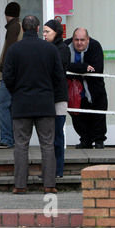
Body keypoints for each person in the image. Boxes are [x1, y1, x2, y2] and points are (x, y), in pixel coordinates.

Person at [3, 15, 64, 194]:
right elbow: (58, 76)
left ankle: (20, 185)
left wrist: (17, 91)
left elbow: (8, 77)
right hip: (45, 103)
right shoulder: (50, 50)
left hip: (21, 104)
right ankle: (49, 184)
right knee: (47, 144)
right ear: (37, 29)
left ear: (23, 29)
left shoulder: (14, 50)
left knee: (21, 145)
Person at [64, 28, 108, 149]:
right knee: (78, 117)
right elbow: (61, 67)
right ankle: (85, 140)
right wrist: (84, 67)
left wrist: (72, 69)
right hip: (74, 91)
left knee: (98, 115)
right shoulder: (65, 46)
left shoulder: (95, 46)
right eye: (76, 40)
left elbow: (96, 67)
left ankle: (99, 141)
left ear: (88, 39)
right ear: (72, 39)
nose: (79, 43)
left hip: (95, 89)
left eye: (82, 40)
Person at [0, 2, 23, 149]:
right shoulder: (19, 26)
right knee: (10, 107)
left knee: (1, 105)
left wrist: (3, 68)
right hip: (17, 74)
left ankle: (6, 138)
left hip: (10, 74)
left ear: (6, 14)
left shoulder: (13, 27)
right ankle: (11, 138)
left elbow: (9, 49)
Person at [43, 19, 70, 177]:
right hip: (47, 96)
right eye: (44, 32)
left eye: (47, 31)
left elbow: (56, 70)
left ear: (56, 32)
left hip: (58, 97)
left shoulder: (63, 49)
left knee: (57, 134)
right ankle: (49, 170)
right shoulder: (47, 48)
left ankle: (58, 169)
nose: (44, 35)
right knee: (48, 136)